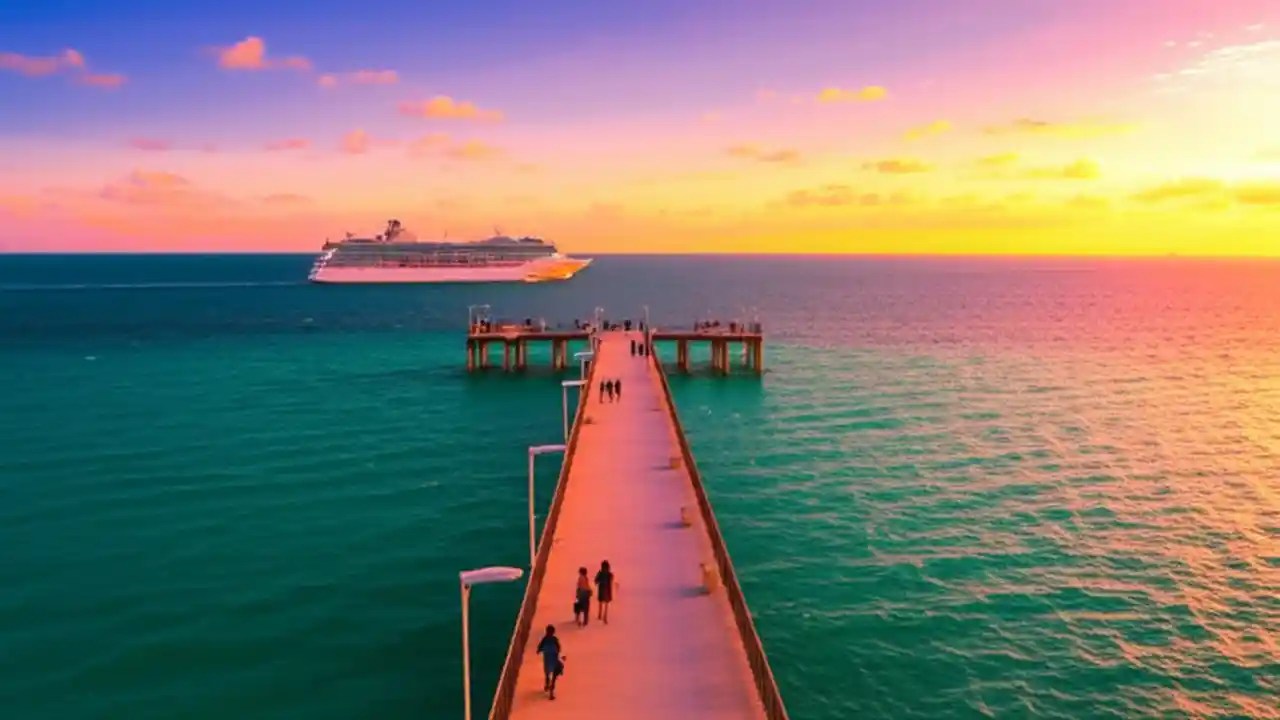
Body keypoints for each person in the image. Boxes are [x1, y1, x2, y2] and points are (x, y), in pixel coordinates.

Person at [536, 625, 564, 699]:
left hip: (548, 659)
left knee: (547, 674)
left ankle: (547, 685)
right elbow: (558, 648)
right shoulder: (554, 639)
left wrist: (538, 651)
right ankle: (551, 689)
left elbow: (539, 647)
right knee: (554, 674)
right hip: (553, 659)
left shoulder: (545, 639)